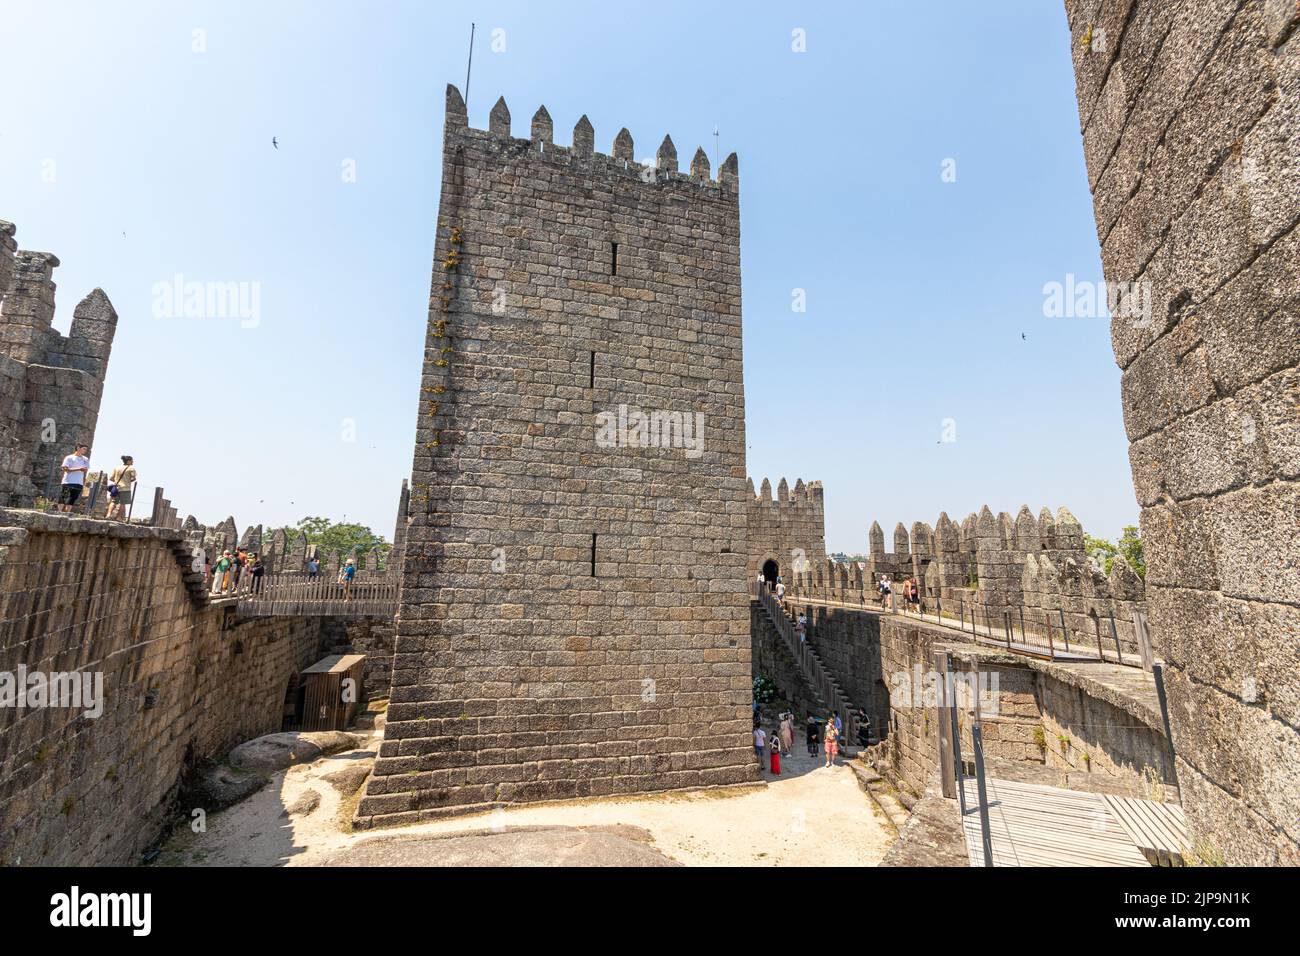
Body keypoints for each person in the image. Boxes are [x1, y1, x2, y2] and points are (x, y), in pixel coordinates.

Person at [58, 443, 90, 512]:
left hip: (79, 482)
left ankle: (67, 512)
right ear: (78, 448)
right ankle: (59, 511)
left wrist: (84, 481)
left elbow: (85, 470)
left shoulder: (86, 459)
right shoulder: (69, 457)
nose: (85, 451)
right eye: (84, 449)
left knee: (73, 498)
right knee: (63, 496)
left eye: (86, 449)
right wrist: (79, 469)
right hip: (68, 481)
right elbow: (65, 469)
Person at [105, 455, 136, 522]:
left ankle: (108, 515)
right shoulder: (131, 468)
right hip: (126, 488)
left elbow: (111, 478)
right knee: (123, 503)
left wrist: (117, 482)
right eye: (131, 460)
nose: (133, 461)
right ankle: (118, 518)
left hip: (116, 487)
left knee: (113, 502)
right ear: (128, 461)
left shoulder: (117, 467)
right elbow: (133, 478)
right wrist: (127, 481)